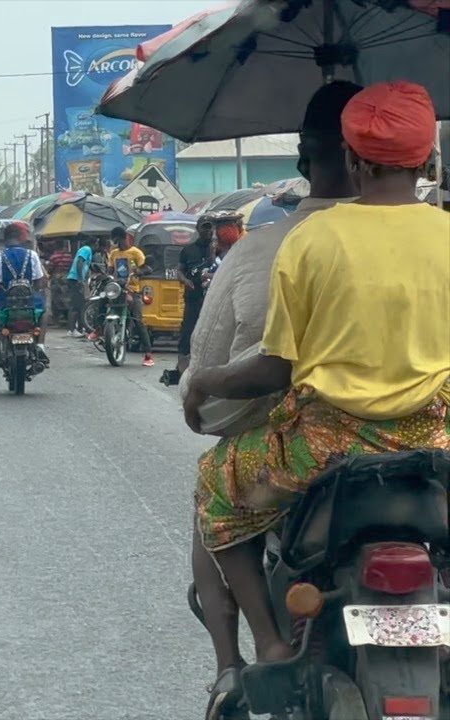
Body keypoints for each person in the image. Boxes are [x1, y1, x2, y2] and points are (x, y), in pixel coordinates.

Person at [183, 80, 449, 713]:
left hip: (326, 448)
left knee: (214, 485)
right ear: (427, 160)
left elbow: (276, 369)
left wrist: (206, 381)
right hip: (437, 442)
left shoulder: (310, 240)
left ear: (352, 160)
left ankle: (270, 644)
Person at [179, 79, 362, 717]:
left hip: (309, 445)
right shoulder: (433, 235)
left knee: (214, 495)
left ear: (305, 160)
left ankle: (249, 655)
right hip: (427, 437)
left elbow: (254, 366)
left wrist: (205, 396)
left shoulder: (279, 247)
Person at [0, 222, 46, 369]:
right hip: (30, 301)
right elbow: (40, 281)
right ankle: (40, 345)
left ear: (5, 238)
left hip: (4, 301)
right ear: (21, 237)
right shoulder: (32, 255)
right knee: (43, 313)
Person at [173, 215, 216, 376]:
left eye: (210, 227)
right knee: (187, 332)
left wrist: (213, 253)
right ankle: (181, 368)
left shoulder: (218, 249)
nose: (208, 230)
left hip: (213, 299)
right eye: (205, 227)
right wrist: (185, 280)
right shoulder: (188, 250)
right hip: (193, 298)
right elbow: (179, 270)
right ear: (198, 229)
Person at [106, 226, 155, 366]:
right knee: (102, 300)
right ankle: (98, 329)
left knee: (138, 321)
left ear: (123, 238)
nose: (115, 244)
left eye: (116, 240)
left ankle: (148, 355)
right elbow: (110, 269)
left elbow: (147, 268)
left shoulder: (136, 252)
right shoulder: (114, 253)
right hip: (117, 289)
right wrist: (106, 275)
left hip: (133, 290)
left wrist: (138, 271)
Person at [66, 236, 94, 337]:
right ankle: (72, 330)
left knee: (81, 305)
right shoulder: (87, 249)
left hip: (75, 279)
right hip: (75, 279)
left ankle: (79, 328)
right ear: (95, 244)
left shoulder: (86, 251)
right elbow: (79, 262)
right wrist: (80, 279)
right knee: (76, 306)